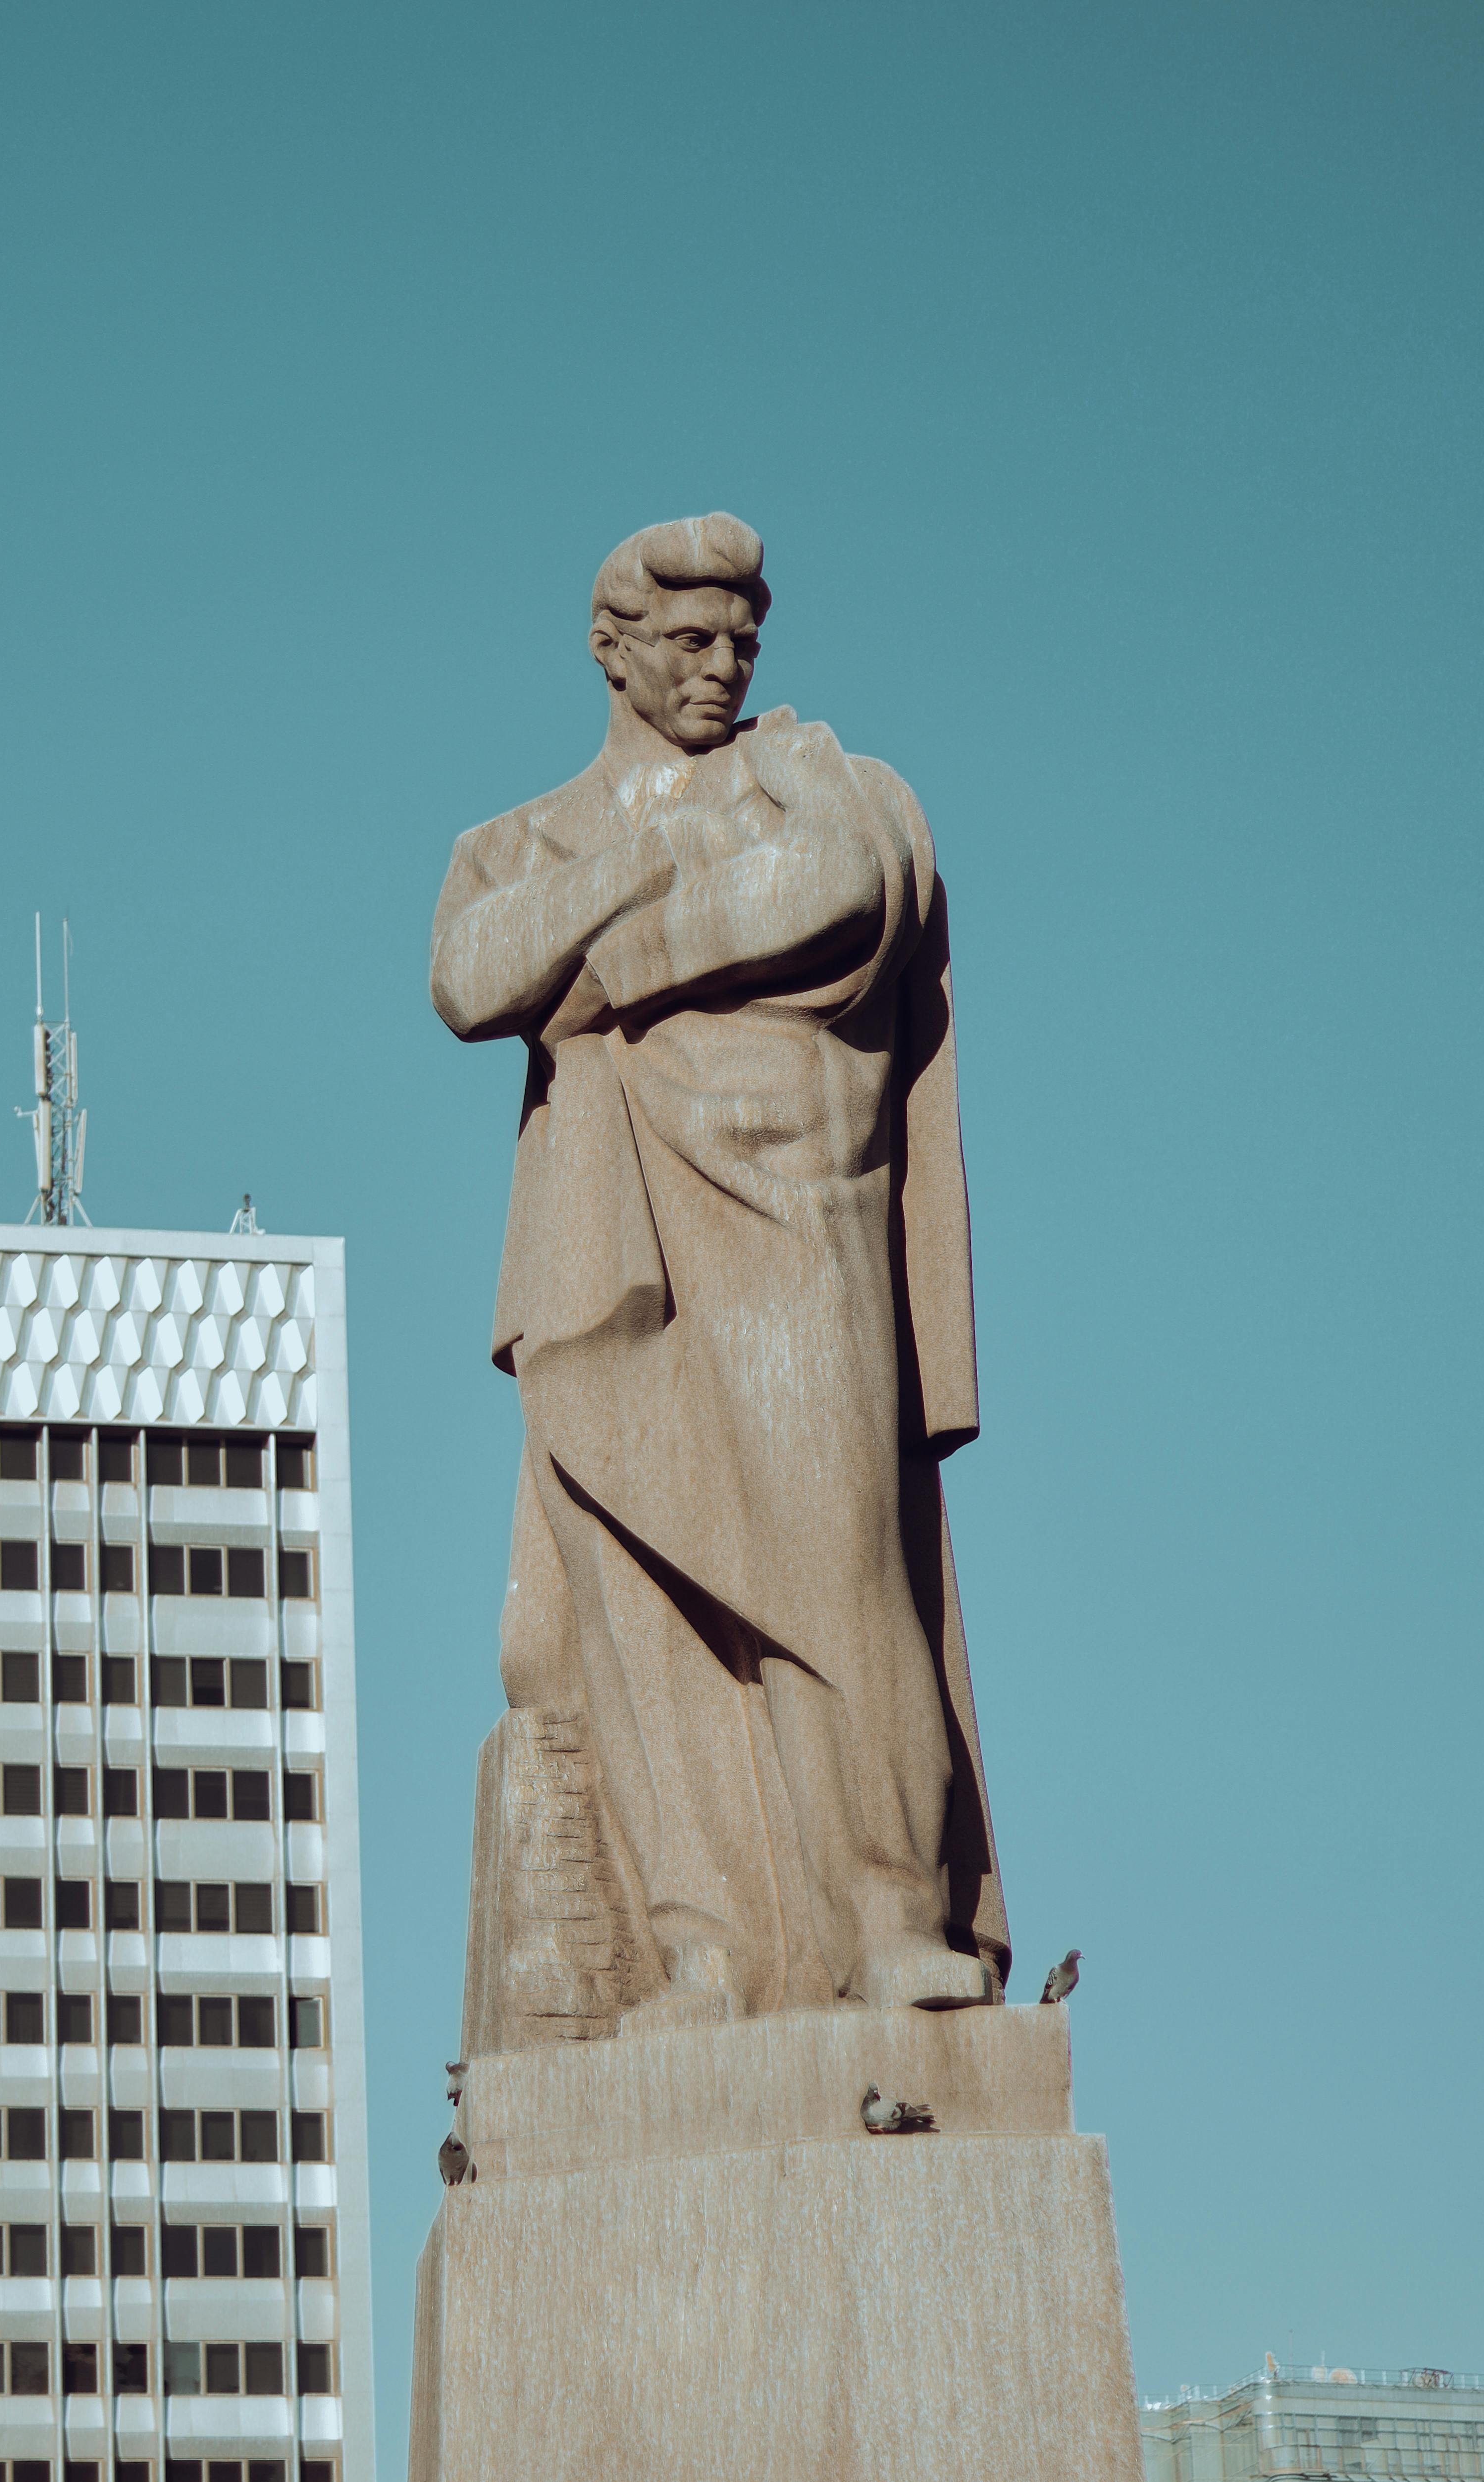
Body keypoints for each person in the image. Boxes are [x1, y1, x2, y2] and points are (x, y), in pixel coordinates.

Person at [430, 513, 1009, 2027]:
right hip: (601, 1256)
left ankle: (888, 1917)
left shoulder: (818, 780)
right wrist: (646, 854)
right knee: (636, 1605)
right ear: (611, 651)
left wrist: (615, 967)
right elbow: (473, 976)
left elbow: (844, 890)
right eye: (687, 644)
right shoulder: (525, 839)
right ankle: (700, 1946)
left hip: (792, 1234)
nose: (720, 669)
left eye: (740, 643)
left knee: (839, 1571)